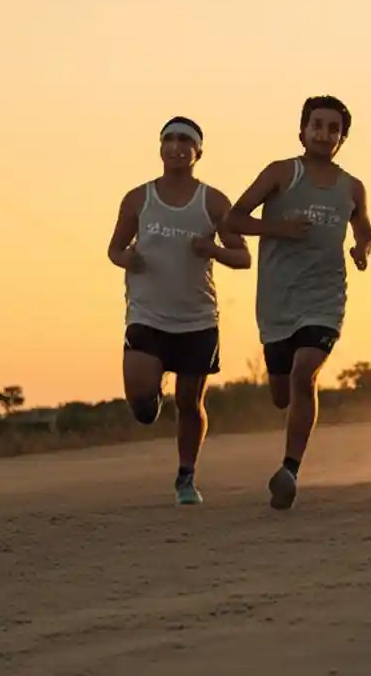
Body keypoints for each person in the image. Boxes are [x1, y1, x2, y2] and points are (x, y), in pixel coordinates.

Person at [226, 95, 371, 510]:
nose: (324, 135)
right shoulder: (281, 173)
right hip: (277, 299)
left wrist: (363, 249)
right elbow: (234, 219)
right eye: (317, 126)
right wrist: (279, 228)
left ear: (343, 138)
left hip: (325, 296)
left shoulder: (352, 187)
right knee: (281, 391)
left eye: (333, 129)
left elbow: (365, 229)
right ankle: (292, 432)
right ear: (302, 131)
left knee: (305, 371)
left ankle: (289, 469)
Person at [106, 116, 251, 506]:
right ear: (160, 148)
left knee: (189, 403)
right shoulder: (138, 199)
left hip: (196, 319)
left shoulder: (213, 201)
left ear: (198, 152)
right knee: (139, 400)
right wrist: (128, 259)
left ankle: (186, 476)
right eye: (169, 138)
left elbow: (243, 257)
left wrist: (214, 251)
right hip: (147, 314)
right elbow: (114, 249)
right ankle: (149, 398)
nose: (176, 146)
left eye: (185, 140)